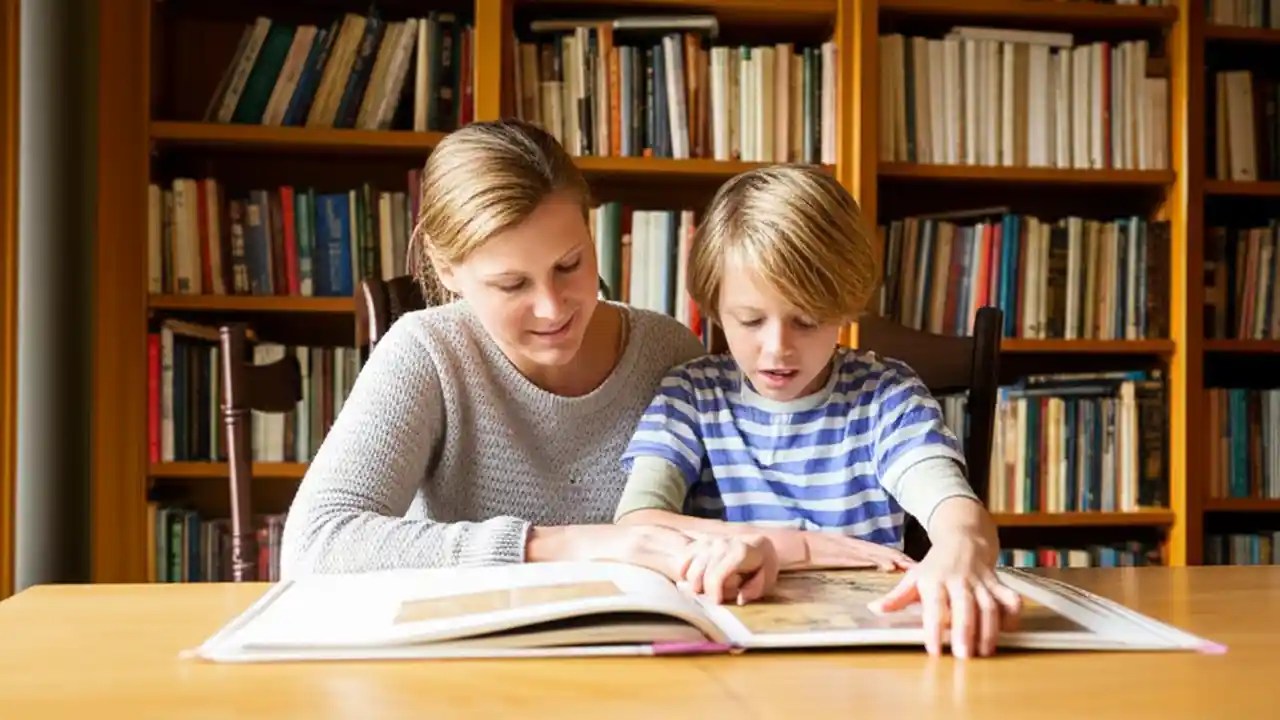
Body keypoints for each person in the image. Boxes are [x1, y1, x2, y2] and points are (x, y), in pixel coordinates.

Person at [278, 118, 776, 604]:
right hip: (470, 666)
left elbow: (745, 515)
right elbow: (315, 545)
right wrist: (574, 544)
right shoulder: (428, 351)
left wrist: (747, 545)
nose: (553, 308)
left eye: (569, 265)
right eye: (512, 284)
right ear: (446, 267)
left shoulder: (668, 354)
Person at [613, 164, 1022, 657]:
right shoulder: (691, 396)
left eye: (806, 321)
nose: (776, 349)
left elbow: (954, 508)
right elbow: (637, 525)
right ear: (715, 307)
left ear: (846, 308)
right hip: (726, 651)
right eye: (750, 320)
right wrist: (794, 546)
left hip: (861, 650)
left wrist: (961, 549)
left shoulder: (884, 397)